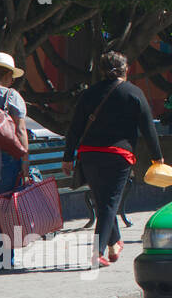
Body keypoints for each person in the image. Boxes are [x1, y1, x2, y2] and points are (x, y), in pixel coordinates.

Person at [61, 51, 165, 266]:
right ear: (126, 69)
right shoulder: (134, 92)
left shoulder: (89, 94)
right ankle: (97, 252)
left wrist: (67, 157)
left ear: (101, 70)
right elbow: (148, 128)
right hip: (118, 156)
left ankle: (114, 241)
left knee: (103, 201)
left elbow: (75, 128)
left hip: (89, 155)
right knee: (108, 203)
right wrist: (158, 158)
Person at [0, 52, 29, 197]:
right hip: (6, 158)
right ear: (8, 75)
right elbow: (21, 130)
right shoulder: (12, 96)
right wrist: (25, 161)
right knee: (5, 206)